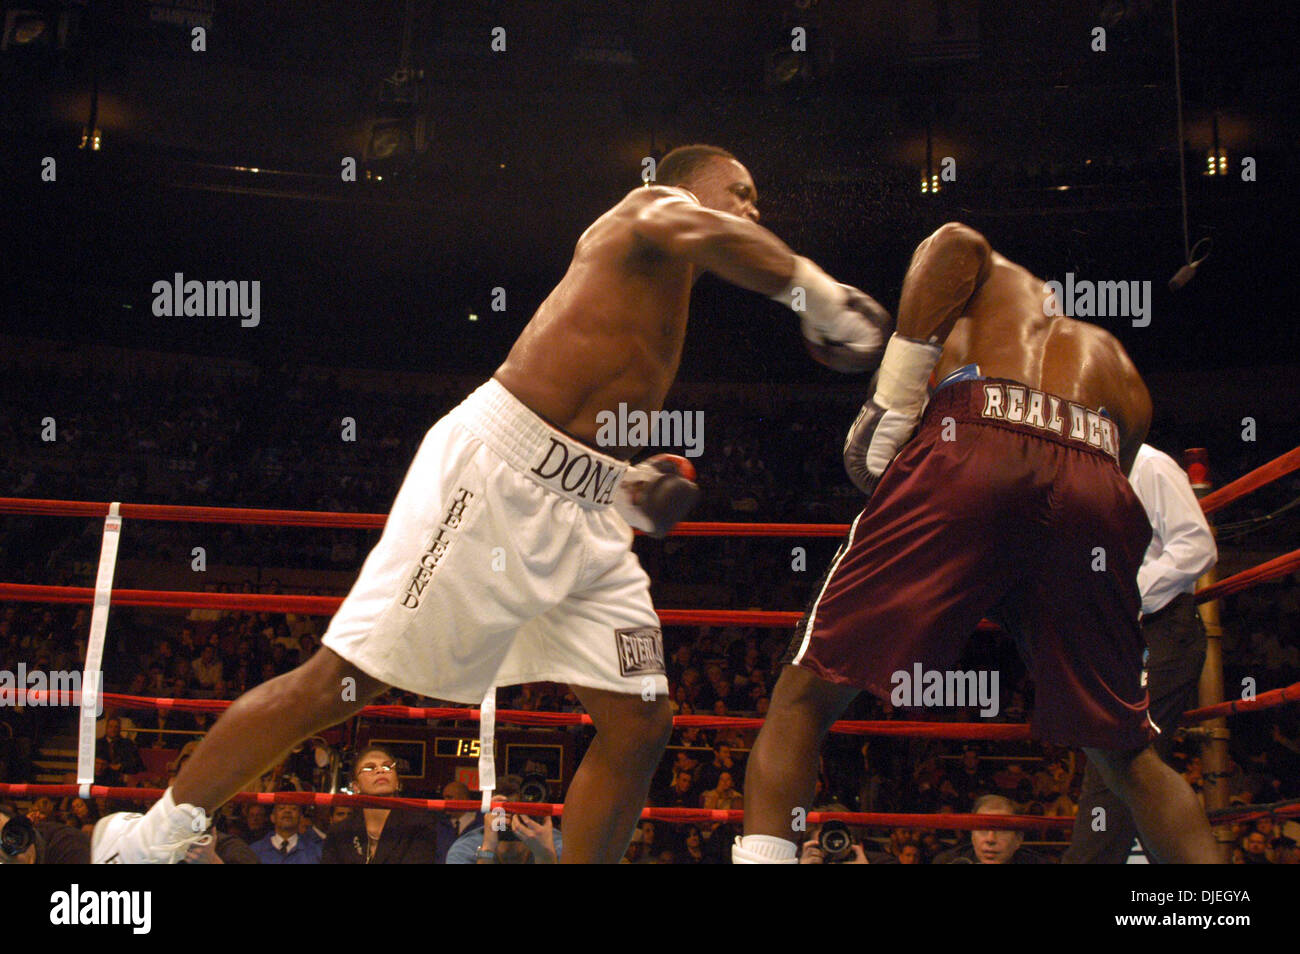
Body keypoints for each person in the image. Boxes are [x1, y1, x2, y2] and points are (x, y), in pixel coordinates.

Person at [92, 143, 889, 864]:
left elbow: (585, 427)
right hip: (490, 480)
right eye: (740, 191)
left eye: (758, 200)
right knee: (338, 684)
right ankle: (149, 838)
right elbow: (710, 234)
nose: (753, 210)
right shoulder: (647, 215)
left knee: (642, 721)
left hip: (585, 520)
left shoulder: (668, 285)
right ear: (685, 187)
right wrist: (812, 290)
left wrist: (629, 484)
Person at [736, 223, 1218, 864]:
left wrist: (895, 397)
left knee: (805, 693)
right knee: (1126, 752)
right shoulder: (1120, 369)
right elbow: (1111, 481)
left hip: (978, 444)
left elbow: (955, 242)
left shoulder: (987, 283)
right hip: (1092, 486)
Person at [1065, 442, 1217, 862]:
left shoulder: (1148, 465)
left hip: (1161, 633)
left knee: (1123, 767)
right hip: (1110, 642)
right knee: (1114, 772)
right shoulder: (1069, 471)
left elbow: (1196, 545)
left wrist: (1124, 595)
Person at [321, 745, 438, 864]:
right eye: (369, 768)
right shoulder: (339, 832)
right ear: (356, 786)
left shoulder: (419, 825)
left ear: (397, 782)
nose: (380, 770)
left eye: (387, 767)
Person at [932, 795, 1051, 864]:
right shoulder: (947, 862)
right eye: (982, 829)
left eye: (1001, 830)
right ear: (972, 834)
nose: (990, 839)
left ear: (1018, 839)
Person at [249, 803, 322, 864]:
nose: (287, 811)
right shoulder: (254, 851)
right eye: (281, 808)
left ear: (301, 818)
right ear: (272, 817)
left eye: (293, 808)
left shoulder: (315, 851)